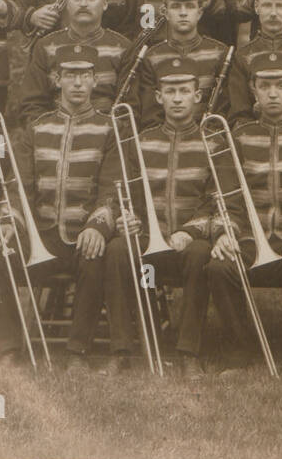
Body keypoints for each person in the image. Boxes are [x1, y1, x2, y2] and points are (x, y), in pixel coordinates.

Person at [0, 44, 117, 370]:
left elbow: (112, 188)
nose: (77, 83)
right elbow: (20, 187)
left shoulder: (110, 129)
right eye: (70, 75)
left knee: (97, 253)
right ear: (56, 79)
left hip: (82, 235)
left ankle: (77, 352)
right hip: (41, 236)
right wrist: (8, 223)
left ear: (94, 79)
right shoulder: (37, 129)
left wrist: (97, 226)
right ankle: (9, 347)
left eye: (84, 75)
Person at [90, 56, 216, 377]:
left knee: (202, 255)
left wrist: (190, 232)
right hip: (149, 239)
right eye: (170, 91)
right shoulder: (141, 141)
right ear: (158, 97)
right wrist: (126, 219)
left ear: (196, 96)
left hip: (189, 243)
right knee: (118, 248)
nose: (176, 98)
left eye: (184, 91)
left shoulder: (213, 143)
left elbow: (216, 202)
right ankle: (121, 349)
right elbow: (125, 193)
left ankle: (189, 352)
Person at [205, 55, 282, 372]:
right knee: (219, 267)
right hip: (249, 239)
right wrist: (225, 234)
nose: (272, 93)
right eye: (265, 86)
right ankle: (237, 354)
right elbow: (226, 195)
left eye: (280, 86)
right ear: (254, 91)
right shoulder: (238, 136)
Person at [17, 0, 134, 126]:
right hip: (55, 136)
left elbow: (129, 108)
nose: (83, 4)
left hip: (108, 137)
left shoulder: (123, 48)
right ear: (67, 2)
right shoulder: (45, 46)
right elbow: (31, 105)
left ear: (105, 3)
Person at [134, 0, 232, 129]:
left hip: (208, 141)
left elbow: (223, 110)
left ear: (200, 13)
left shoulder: (220, 53)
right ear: (165, 13)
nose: (183, 13)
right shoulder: (152, 57)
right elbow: (150, 115)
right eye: (176, 6)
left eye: (190, 6)